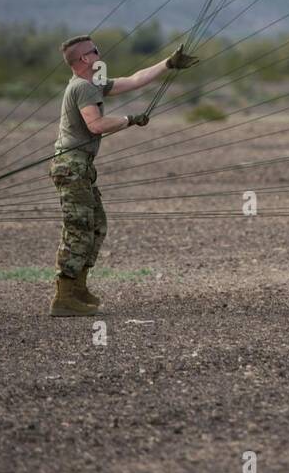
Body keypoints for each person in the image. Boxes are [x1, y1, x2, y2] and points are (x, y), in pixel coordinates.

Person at [49, 35, 196, 317]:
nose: (99, 52)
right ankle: (64, 296)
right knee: (78, 228)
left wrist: (168, 64)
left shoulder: (93, 84)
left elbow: (134, 80)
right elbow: (96, 125)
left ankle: (78, 287)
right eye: (95, 50)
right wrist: (130, 120)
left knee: (95, 225)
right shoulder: (83, 87)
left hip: (80, 166)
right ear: (85, 59)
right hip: (71, 165)